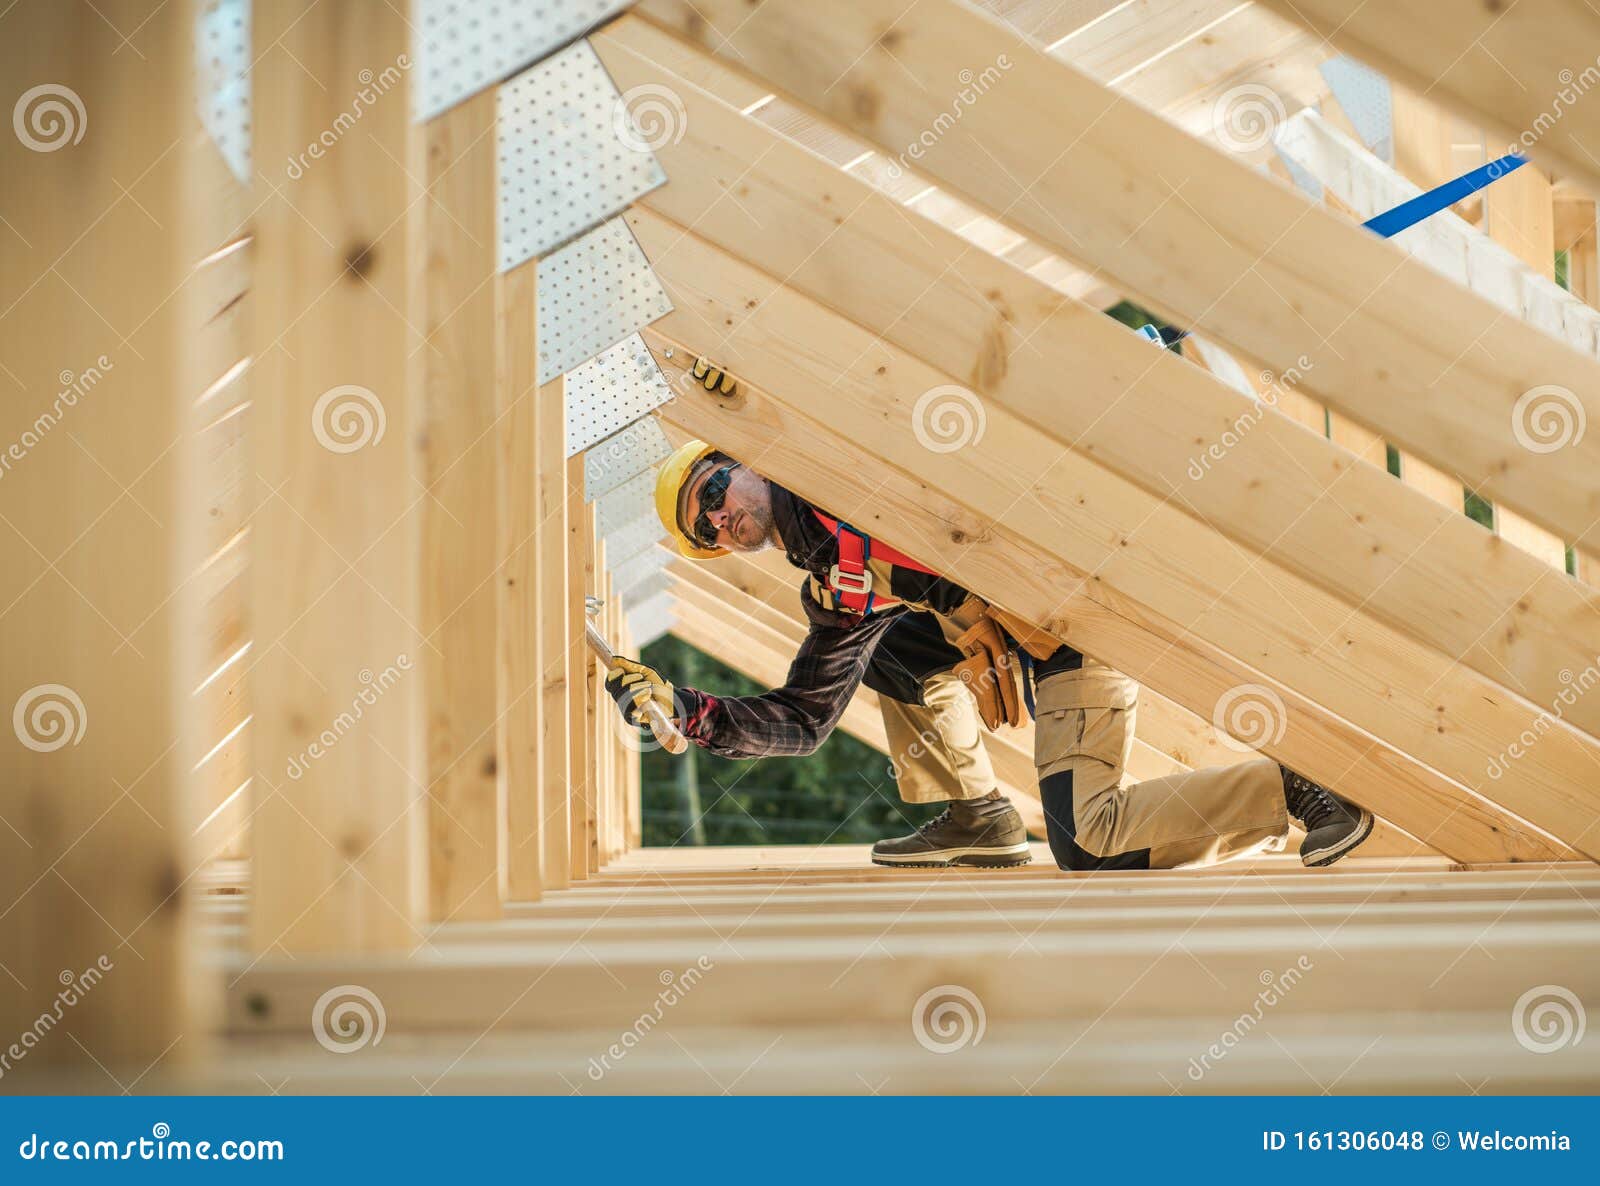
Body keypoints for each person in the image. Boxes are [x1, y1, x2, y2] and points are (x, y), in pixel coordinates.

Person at [609, 428, 1372, 870]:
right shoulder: (836, 590)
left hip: (1073, 620)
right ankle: (979, 814)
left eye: (713, 492)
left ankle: (1293, 793)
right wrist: (687, 708)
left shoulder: (835, 452)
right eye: (704, 530)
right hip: (1032, 646)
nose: (718, 520)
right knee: (879, 649)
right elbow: (802, 718)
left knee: (1089, 844)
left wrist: (744, 382)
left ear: (748, 458)